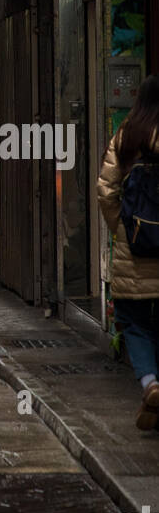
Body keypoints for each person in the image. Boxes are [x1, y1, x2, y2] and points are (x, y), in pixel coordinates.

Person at [97, 75, 159, 430]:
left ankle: (150, 384)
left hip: (135, 250)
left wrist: (124, 230)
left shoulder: (128, 137)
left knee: (134, 323)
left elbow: (106, 192)